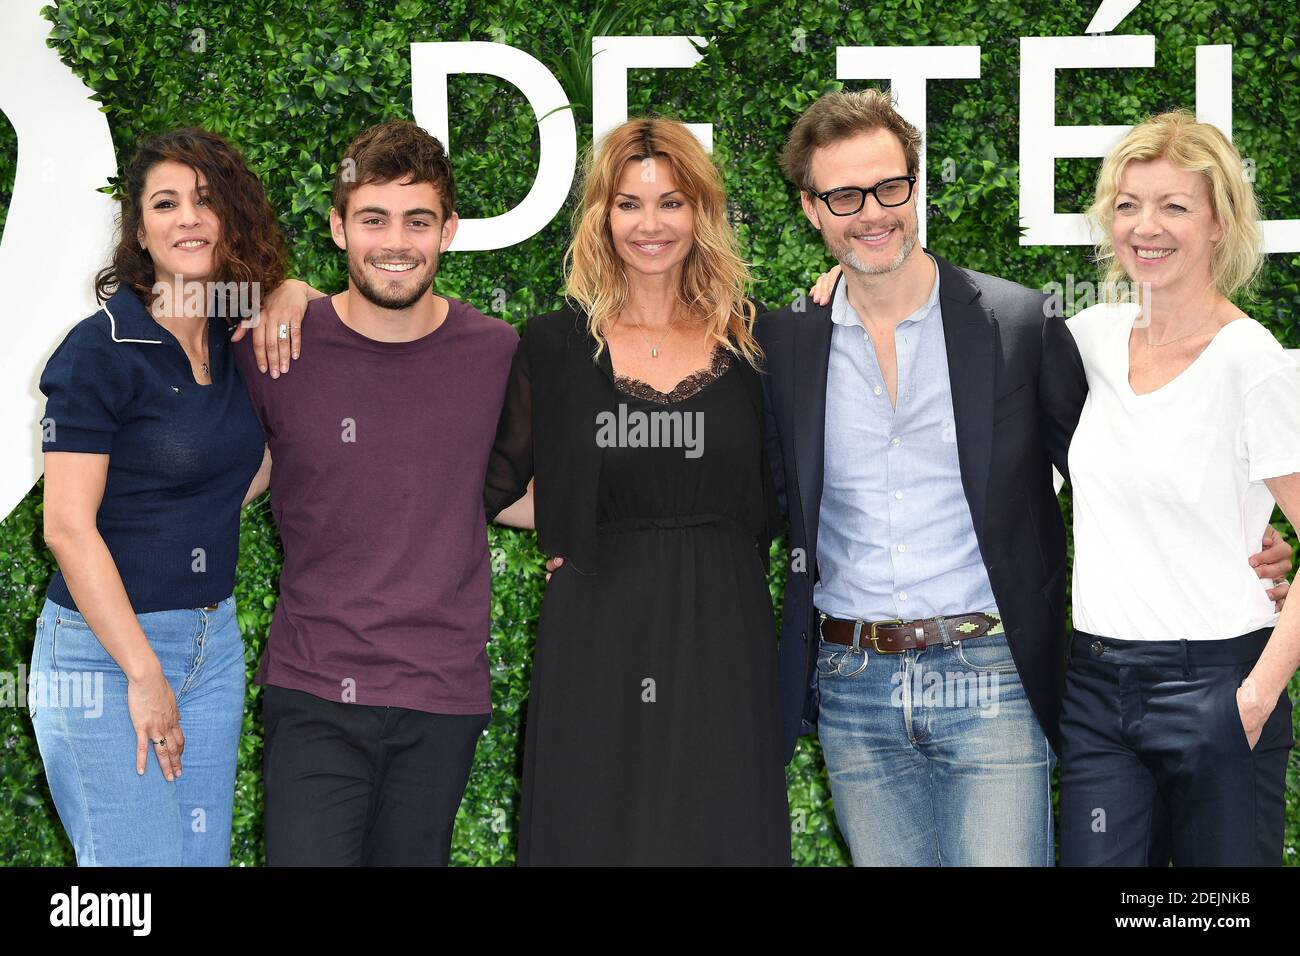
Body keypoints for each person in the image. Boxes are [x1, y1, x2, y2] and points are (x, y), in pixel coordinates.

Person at [767, 90, 1292, 865]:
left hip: (997, 677)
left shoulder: (1020, 327)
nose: (871, 212)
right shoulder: (788, 342)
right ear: (812, 210)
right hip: (860, 683)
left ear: (918, 189)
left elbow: (1147, 459)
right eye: (844, 195)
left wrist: (1253, 550)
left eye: (889, 187)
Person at [484, 117, 791, 865]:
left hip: (726, 627)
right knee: (599, 829)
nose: (649, 224)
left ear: (701, 213)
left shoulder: (758, 342)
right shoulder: (554, 344)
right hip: (599, 626)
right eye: (629, 203)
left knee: (721, 828)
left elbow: (789, 486)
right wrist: (570, 525)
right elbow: (495, 490)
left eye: (670, 202)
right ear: (601, 215)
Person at [234, 121, 519, 866]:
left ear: (448, 231)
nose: (396, 241)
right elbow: (217, 471)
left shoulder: (498, 353)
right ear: (337, 228)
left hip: (442, 694)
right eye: (373, 219)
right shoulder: (274, 344)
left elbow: (518, 491)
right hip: (314, 689)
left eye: (418, 220)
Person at [31, 127, 306, 865]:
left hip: (212, 648)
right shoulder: (98, 350)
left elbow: (234, 482)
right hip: (105, 657)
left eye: (206, 201)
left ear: (232, 219)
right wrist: (144, 673)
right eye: (165, 203)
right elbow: (66, 529)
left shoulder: (233, 336)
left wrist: (296, 291)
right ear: (141, 231)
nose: (187, 217)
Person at [1058, 111, 1300, 866]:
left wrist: (1254, 699)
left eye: (1174, 206)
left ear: (1221, 222)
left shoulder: (1249, 360)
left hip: (1218, 684)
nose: (1145, 227)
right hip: (1097, 689)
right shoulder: (1088, 337)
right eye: (1128, 204)